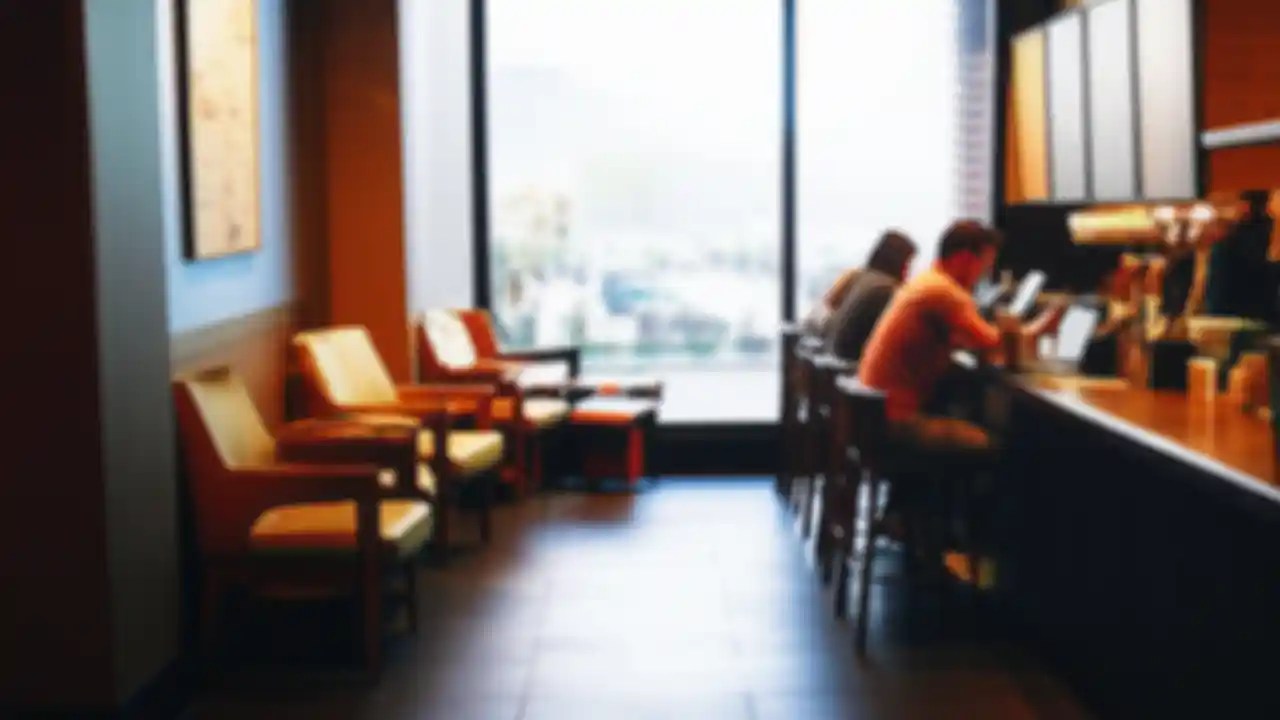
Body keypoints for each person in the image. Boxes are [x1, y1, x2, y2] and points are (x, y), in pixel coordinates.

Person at [822, 230, 918, 362]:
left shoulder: (862, 278)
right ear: (899, 262)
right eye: (908, 264)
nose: (908, 272)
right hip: (853, 362)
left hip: (836, 354)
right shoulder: (885, 289)